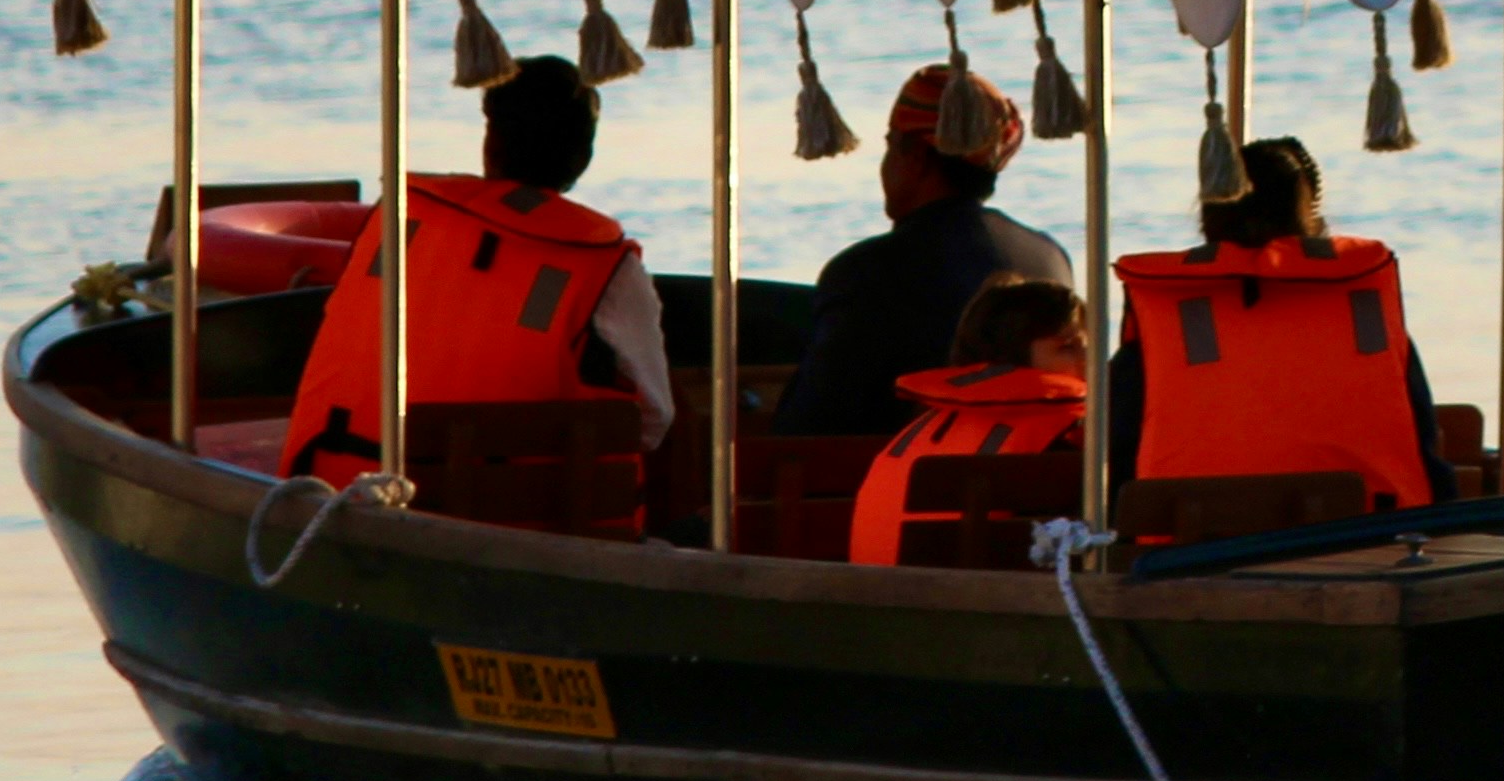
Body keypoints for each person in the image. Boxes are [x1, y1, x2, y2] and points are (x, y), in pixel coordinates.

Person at [273, 53, 673, 486]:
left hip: (340, 484)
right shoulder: (606, 267)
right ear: (584, 153)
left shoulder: (401, 222)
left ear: (492, 141)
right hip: (514, 515)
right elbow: (653, 422)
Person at [1111, 134, 1444, 509]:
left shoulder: (1169, 313)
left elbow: (1120, 454)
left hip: (1199, 544)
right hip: (1367, 538)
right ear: (1307, 213)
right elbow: (1425, 446)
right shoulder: (1364, 308)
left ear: (1210, 212)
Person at [768, 57, 1072, 438]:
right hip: (1030, 486)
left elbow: (809, 424)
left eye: (890, 145)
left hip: (902, 487)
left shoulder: (866, 272)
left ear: (914, 156)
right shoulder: (1049, 257)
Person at [848, 274, 1089, 564]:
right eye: (1068, 347)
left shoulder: (926, 426)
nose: (1089, 358)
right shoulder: (1055, 443)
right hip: (977, 600)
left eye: (1090, 344)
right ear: (1013, 354)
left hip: (874, 595)